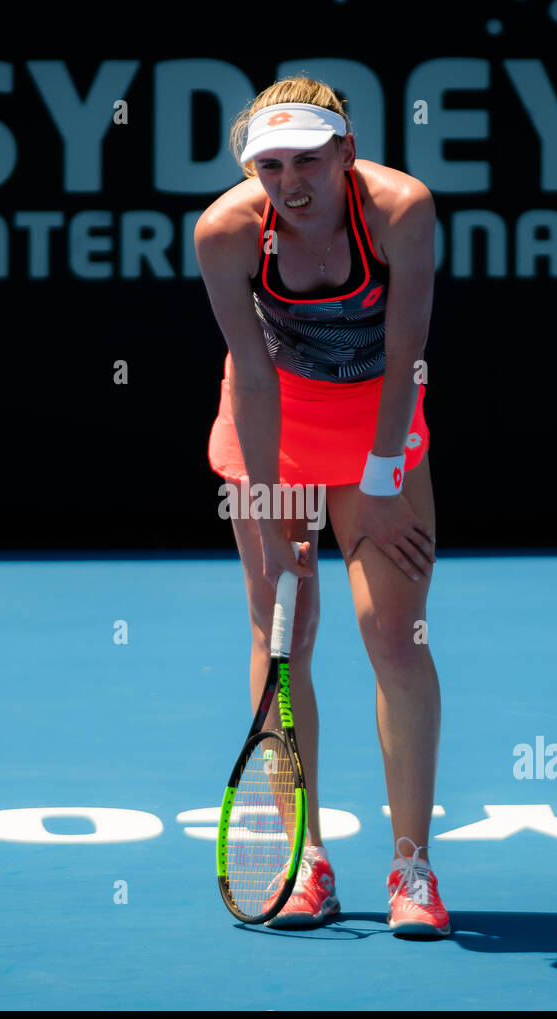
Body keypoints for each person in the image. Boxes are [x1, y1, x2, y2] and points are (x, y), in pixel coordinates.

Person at [195, 75, 448, 935]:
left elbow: (407, 349)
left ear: (347, 151)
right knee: (283, 629)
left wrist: (379, 486)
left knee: (393, 632)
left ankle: (411, 866)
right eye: (270, 164)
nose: (290, 181)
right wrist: (271, 507)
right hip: (276, 426)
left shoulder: (401, 212)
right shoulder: (226, 233)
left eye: (308, 158)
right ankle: (305, 856)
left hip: (380, 421)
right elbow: (254, 373)